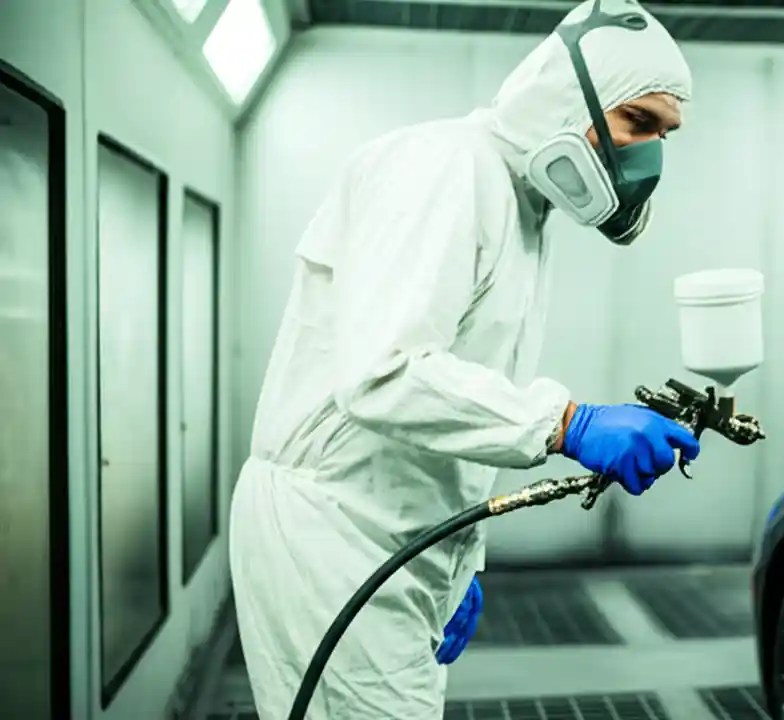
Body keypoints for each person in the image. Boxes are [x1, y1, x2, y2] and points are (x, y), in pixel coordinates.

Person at [227, 1, 696, 717]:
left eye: (665, 133)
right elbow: (383, 373)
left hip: (398, 535)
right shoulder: (444, 168)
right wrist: (567, 422)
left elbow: (454, 399)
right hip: (332, 536)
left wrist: (459, 558)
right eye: (638, 121)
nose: (650, 154)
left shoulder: (523, 206)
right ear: (566, 100)